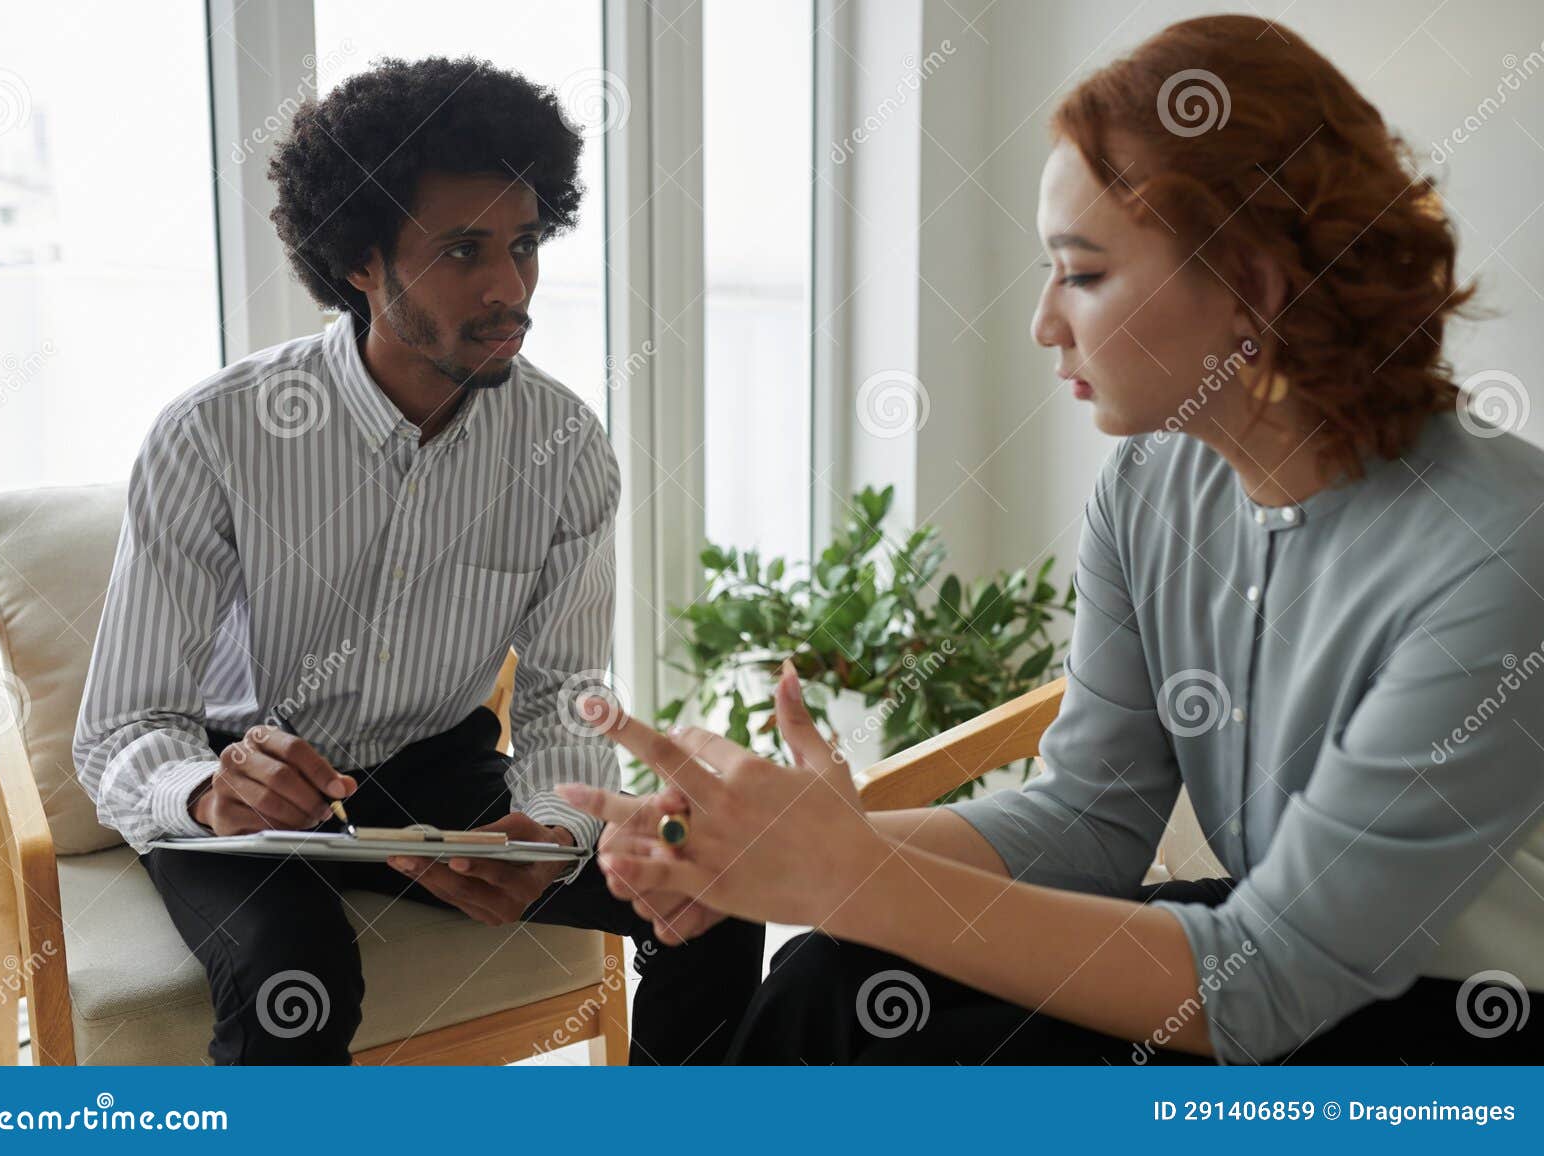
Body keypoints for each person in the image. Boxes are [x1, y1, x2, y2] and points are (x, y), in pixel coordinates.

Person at [558, 14, 1544, 1064]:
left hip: (1467, 1028)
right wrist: (771, 848)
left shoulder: (1496, 549)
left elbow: (1267, 984)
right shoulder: (1152, 482)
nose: (1042, 322)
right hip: (1281, 957)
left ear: (1252, 286)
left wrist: (848, 875)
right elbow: (1094, 821)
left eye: (1081, 273)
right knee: (837, 983)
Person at [73, 56, 762, 1065]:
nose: (509, 288)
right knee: (291, 980)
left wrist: (549, 830)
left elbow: (565, 691)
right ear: (361, 259)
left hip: (439, 772)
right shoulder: (214, 435)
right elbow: (123, 726)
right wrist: (207, 791)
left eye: (523, 244)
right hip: (253, 778)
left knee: (709, 886)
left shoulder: (562, 445)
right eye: (462, 251)